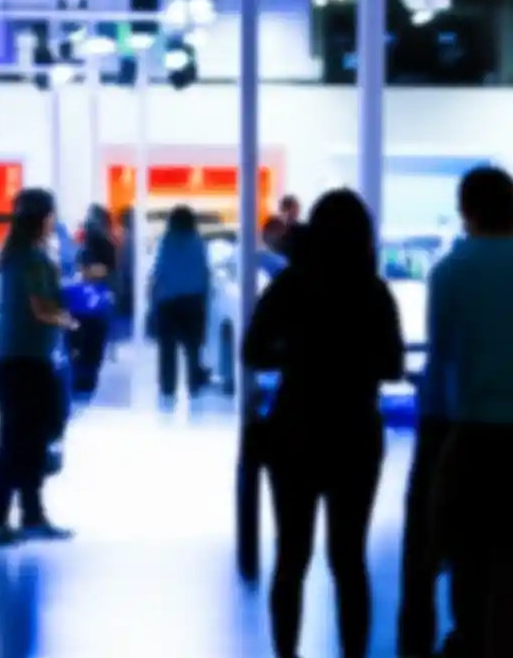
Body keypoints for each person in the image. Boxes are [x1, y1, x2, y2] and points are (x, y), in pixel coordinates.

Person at [243, 189, 404, 658]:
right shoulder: (373, 291)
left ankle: (286, 652)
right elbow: (393, 367)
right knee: (349, 559)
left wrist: (295, 355)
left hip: (295, 426)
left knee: (291, 557)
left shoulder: (291, 284)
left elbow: (252, 351)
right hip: (355, 430)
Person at [427, 165, 513, 657]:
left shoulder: (451, 271)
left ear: (466, 211)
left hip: (475, 433)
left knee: (469, 552)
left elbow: (442, 360)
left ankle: (469, 637)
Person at [0, 188, 76, 548]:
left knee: (23, 441)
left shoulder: (12, 254)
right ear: (42, 217)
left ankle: (28, 515)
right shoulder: (33, 258)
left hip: (10, 361)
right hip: (26, 363)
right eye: (52, 214)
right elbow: (41, 309)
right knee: (19, 442)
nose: (54, 221)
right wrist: (68, 321)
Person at [150, 205, 210, 401]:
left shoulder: (166, 241)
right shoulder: (198, 242)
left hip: (167, 302)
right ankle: (194, 384)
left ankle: (168, 388)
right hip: (193, 301)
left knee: (167, 348)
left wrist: (152, 297)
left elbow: (159, 270)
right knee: (193, 347)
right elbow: (204, 271)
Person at [69, 206, 116, 396]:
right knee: (92, 344)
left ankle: (83, 378)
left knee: (82, 342)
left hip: (85, 301)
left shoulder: (93, 244)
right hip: (96, 303)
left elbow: (100, 270)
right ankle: (86, 379)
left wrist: (85, 272)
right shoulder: (105, 243)